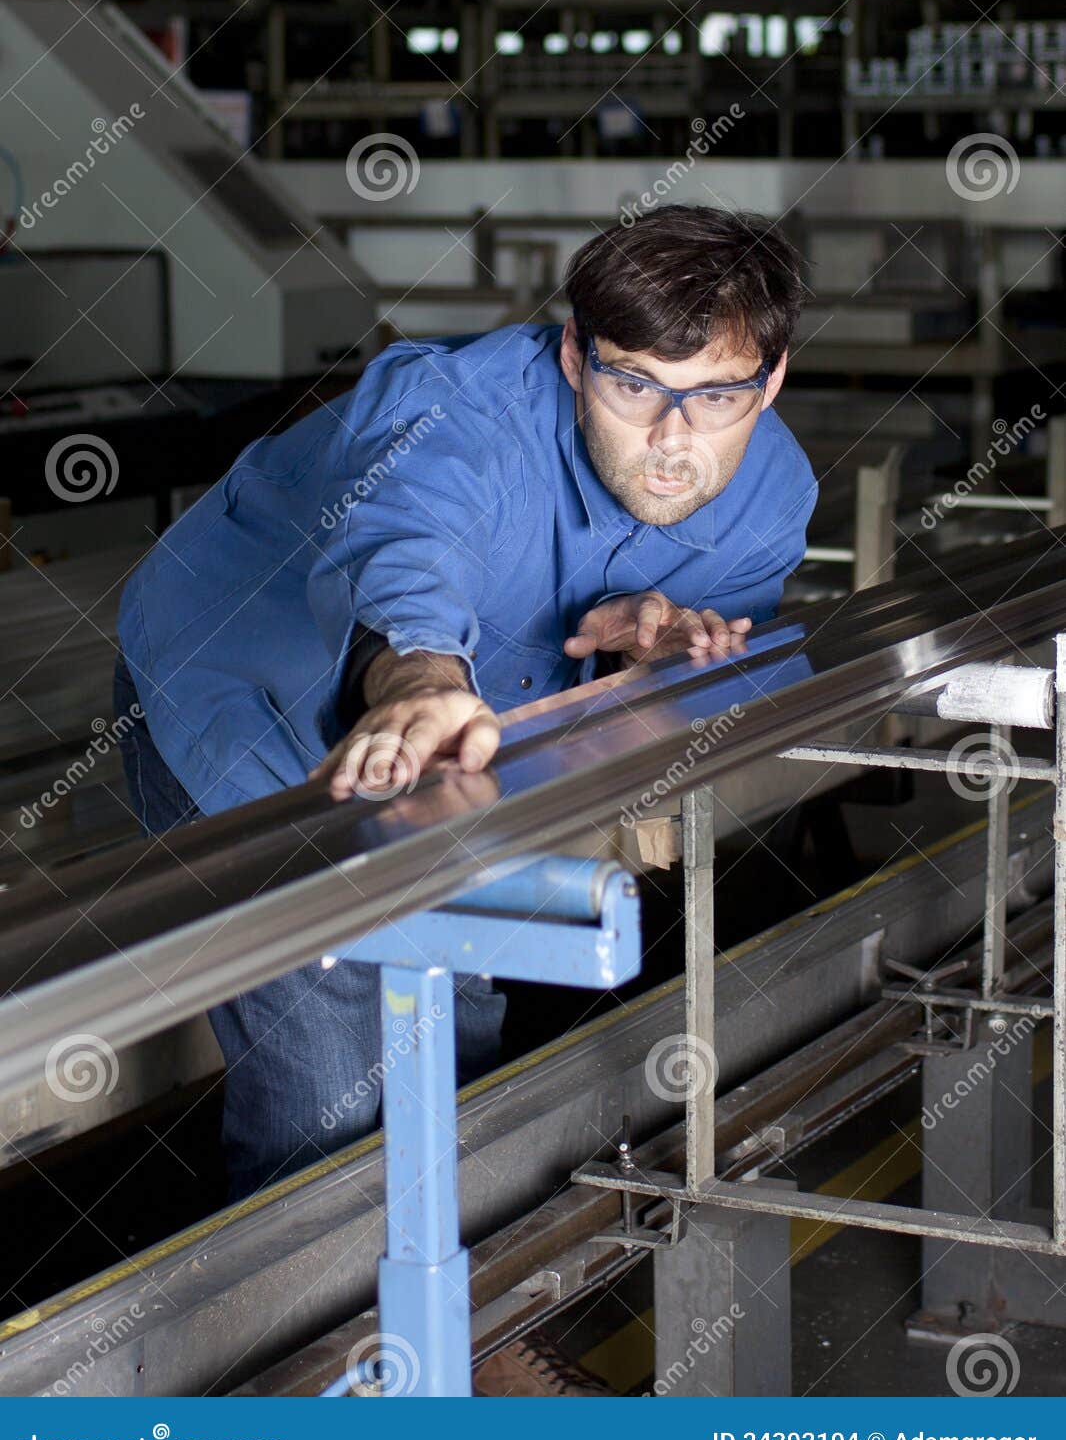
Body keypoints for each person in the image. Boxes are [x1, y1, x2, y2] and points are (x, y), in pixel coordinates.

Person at [113, 203, 818, 1203]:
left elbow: (677, 682)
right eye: (632, 385)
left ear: (772, 379)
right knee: (324, 1069)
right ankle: (316, 1338)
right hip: (242, 695)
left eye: (716, 398)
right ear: (574, 355)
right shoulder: (456, 413)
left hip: (472, 757)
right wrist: (423, 679)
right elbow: (408, 545)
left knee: (462, 1019)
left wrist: (655, 663)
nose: (670, 438)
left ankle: (454, 1302)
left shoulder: (772, 493)